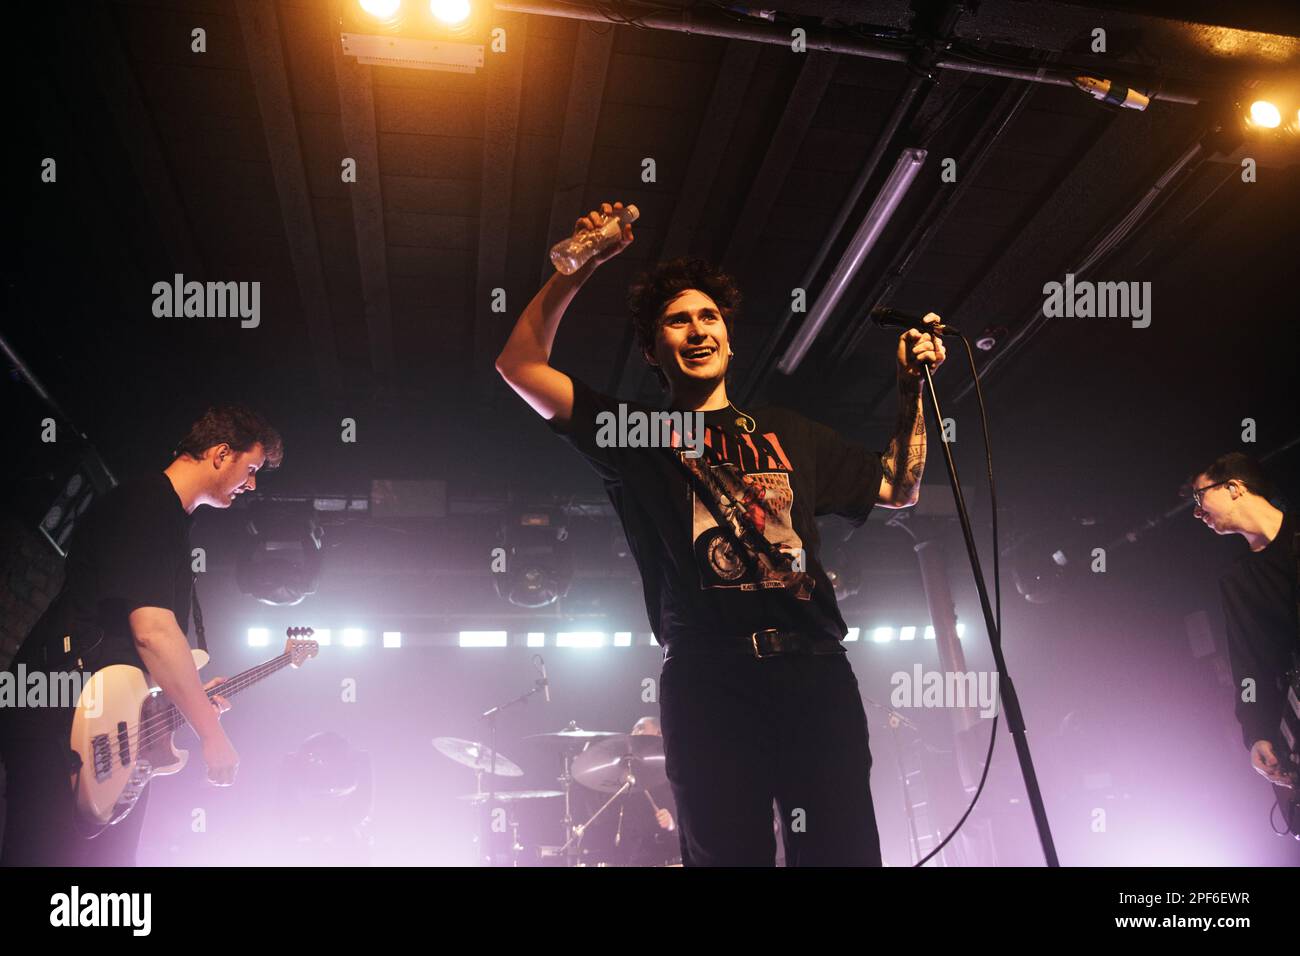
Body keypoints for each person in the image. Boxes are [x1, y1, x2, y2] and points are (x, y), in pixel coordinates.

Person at [496, 201, 946, 865]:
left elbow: (900, 487)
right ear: (654, 350)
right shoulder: (639, 435)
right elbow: (521, 365)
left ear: (730, 340)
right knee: (728, 852)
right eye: (678, 320)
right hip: (710, 676)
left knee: (840, 851)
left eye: (709, 316)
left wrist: (911, 389)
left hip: (814, 670)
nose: (698, 328)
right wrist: (580, 267)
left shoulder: (791, 432)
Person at [0, 405, 283, 865]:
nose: (252, 483)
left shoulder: (167, 517)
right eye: (250, 468)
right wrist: (211, 734)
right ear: (220, 452)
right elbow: (152, 631)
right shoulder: (148, 503)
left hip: (101, 721)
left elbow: (135, 649)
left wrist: (185, 692)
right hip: (66, 714)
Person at [1185, 453, 1297, 795]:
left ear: (1234, 487)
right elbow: (1249, 663)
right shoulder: (1238, 580)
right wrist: (1257, 731)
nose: (1196, 512)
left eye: (1199, 497)